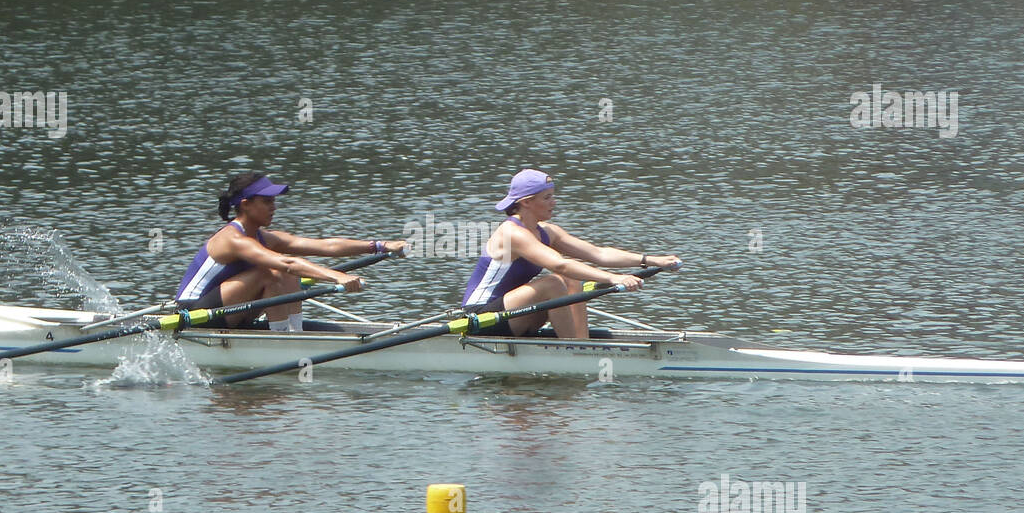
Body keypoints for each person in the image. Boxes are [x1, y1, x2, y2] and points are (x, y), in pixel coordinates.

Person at [461, 169, 681, 339]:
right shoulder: (512, 233)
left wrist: (651, 260)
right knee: (554, 283)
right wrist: (613, 278)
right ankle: (573, 350)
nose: (554, 203)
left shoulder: (548, 231)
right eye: (547, 198)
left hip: (512, 315)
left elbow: (599, 254)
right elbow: (560, 265)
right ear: (526, 202)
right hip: (481, 318)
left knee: (571, 278)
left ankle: (581, 343)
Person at [176, 171, 408, 330]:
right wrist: (336, 276)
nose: (273, 207)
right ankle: (283, 342)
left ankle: (292, 334)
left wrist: (380, 246)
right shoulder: (232, 238)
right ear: (245, 204)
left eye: (274, 201)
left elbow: (325, 245)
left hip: (229, 311)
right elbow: (287, 263)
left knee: (284, 270)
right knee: (273, 270)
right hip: (194, 315)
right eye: (267, 201)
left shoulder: (263, 236)